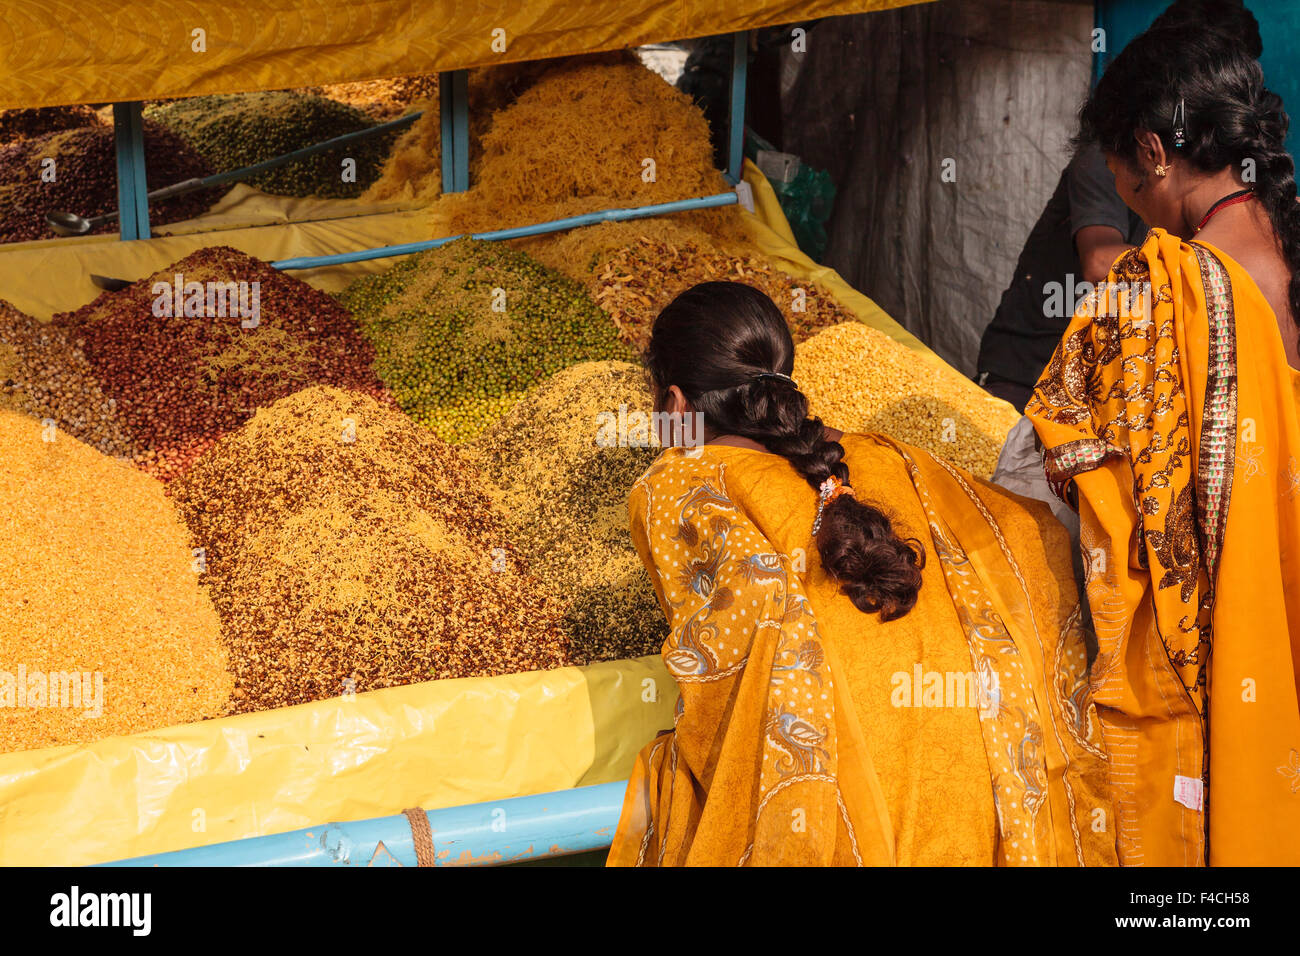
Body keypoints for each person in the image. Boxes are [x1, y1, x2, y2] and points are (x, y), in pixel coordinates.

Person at [606, 281, 1115, 866]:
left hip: (843, 819)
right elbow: (1024, 530)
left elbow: (722, 670)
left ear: (674, 404)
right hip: (988, 783)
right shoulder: (883, 455)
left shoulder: (679, 484)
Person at [1025, 20, 1300, 866]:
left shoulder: (1159, 289)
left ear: (1151, 150)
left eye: (1123, 182)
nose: (1133, 210)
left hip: (1215, 661)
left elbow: (1059, 458)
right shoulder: (1286, 245)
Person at [977, 0, 1262, 413]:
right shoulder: (1114, 155)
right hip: (1031, 375)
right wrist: (1209, 271)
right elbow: (1098, 264)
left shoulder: (1208, 174)